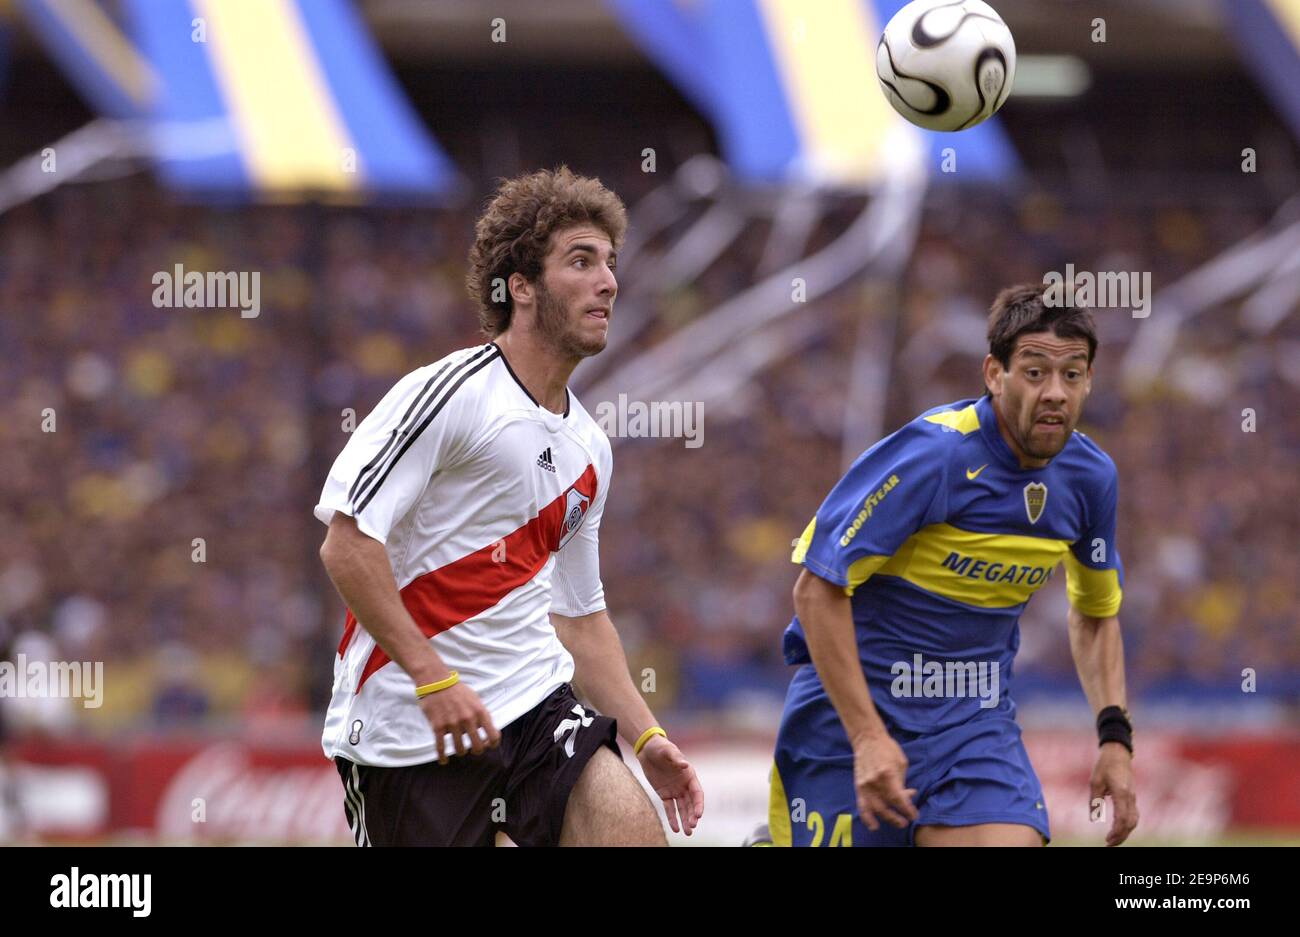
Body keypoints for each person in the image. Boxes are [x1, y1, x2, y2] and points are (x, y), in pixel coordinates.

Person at [316, 166, 704, 846]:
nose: (607, 281)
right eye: (580, 261)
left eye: (609, 263)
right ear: (519, 286)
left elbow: (580, 620)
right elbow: (347, 544)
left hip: (537, 708)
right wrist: (433, 678)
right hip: (412, 730)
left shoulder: (589, 447)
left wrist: (646, 737)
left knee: (631, 832)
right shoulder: (449, 394)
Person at [768, 283, 1138, 847]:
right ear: (995, 374)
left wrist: (1114, 737)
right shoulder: (933, 457)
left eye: (1073, 374)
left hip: (973, 724)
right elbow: (816, 591)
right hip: (850, 719)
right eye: (1035, 373)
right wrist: (867, 736)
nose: (1056, 393)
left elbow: (1093, 615)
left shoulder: (1090, 479)